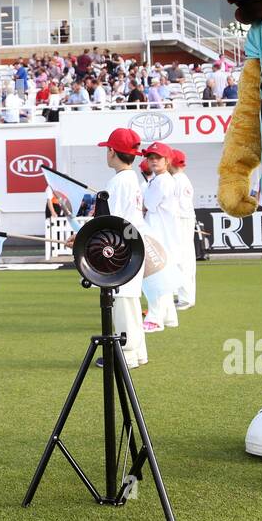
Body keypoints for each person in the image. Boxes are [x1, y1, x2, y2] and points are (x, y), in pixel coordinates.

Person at [99, 128, 148, 369]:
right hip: (133, 242)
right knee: (130, 300)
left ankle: (126, 355)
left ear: (112, 151)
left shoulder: (118, 182)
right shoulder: (132, 180)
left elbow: (112, 220)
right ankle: (137, 352)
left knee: (123, 300)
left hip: (123, 247)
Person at [141, 142, 180, 333]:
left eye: (158, 157)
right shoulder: (160, 180)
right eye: (150, 157)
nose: (153, 161)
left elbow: (148, 203)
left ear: (167, 160)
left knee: (155, 277)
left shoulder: (162, 180)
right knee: (162, 276)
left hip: (159, 234)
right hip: (162, 233)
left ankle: (155, 319)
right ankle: (170, 316)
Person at [168, 148, 198, 312]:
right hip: (185, 219)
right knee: (186, 260)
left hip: (181, 220)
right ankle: (185, 296)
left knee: (182, 260)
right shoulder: (182, 179)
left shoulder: (177, 180)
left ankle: (185, 298)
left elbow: (176, 206)